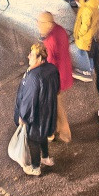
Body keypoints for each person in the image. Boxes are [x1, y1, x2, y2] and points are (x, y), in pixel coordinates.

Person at [13, 42, 59, 176]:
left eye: (32, 54)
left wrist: (23, 116)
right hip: (48, 111)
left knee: (33, 141)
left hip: (36, 116)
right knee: (43, 134)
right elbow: (57, 88)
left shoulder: (33, 76)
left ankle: (35, 167)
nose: (28, 57)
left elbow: (29, 99)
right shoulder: (52, 68)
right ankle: (45, 157)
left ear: (39, 58)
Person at [38, 11, 73, 145]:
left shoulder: (50, 40)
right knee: (57, 104)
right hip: (65, 72)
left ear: (48, 23)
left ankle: (65, 133)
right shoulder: (60, 30)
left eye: (41, 22)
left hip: (57, 79)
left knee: (57, 106)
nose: (38, 25)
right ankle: (58, 128)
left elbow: (51, 64)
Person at [71, 0, 99, 81]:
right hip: (93, 32)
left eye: (78, 0)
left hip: (85, 37)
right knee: (90, 53)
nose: (77, 3)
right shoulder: (94, 2)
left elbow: (85, 26)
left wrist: (78, 34)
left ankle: (86, 71)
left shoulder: (86, 9)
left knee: (82, 52)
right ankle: (91, 68)